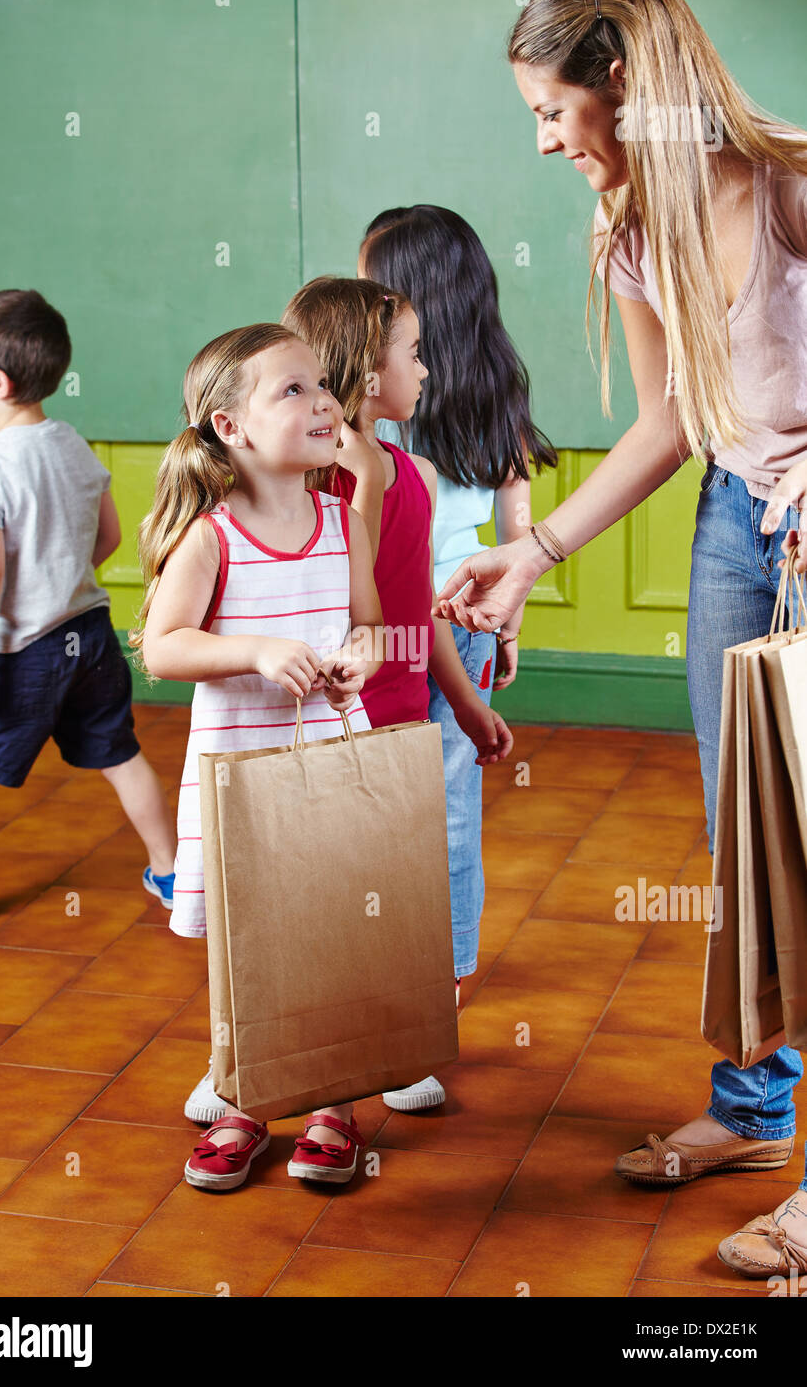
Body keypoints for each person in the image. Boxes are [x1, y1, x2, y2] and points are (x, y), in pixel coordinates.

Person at [436, 0, 807, 1280]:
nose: (543, 141)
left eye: (551, 111)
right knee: (746, 837)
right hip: (735, 523)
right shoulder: (629, 225)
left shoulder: (788, 187)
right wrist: (531, 552)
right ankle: (755, 1111)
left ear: (623, 80)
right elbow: (668, 422)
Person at [134, 323, 384, 1188]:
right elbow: (163, 646)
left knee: (334, 931)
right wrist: (257, 651)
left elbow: (368, 626)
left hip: (329, 765)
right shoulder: (211, 537)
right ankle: (243, 1099)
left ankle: (333, 1104)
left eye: (323, 386)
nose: (324, 402)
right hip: (239, 781)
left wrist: (358, 660)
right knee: (245, 950)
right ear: (229, 427)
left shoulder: (342, 522)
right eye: (293, 390)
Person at [283, 274, 515, 1113]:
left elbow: (414, 612)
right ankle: (264, 1054)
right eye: (412, 355)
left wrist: (467, 704)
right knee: (318, 900)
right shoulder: (307, 480)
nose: (425, 369)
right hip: (320, 722)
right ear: (364, 372)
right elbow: (348, 605)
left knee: (389, 896)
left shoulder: (413, 472)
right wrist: (367, 488)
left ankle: (390, 1040)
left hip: (399, 722)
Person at [358, 203, 557, 1028]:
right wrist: (509, 618)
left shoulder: (383, 390)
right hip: (471, 606)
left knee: (387, 794)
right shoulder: (492, 373)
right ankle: (443, 970)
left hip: (402, 613)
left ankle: (408, 966)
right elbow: (517, 509)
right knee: (449, 796)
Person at [0, 289, 176, 925]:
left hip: (21, 653)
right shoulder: (71, 442)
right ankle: (171, 872)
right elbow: (109, 536)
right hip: (90, 637)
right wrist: (64, 579)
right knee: (120, 754)